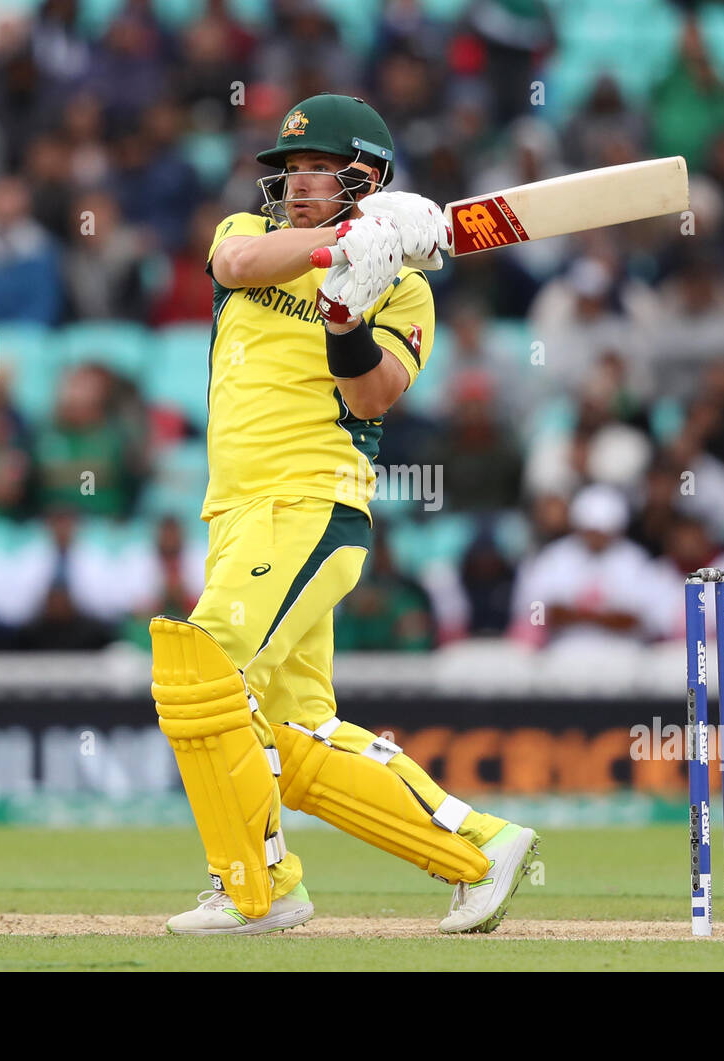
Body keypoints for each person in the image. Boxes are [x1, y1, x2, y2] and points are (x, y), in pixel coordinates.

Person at [151, 93, 538, 937]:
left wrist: (344, 308)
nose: (293, 184)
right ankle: (480, 846)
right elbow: (237, 268)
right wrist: (338, 246)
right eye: (286, 171)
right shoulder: (245, 235)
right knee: (291, 735)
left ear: (364, 177)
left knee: (200, 669)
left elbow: (374, 391)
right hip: (235, 517)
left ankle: (258, 886)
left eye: (314, 170)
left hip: (312, 505)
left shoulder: (406, 295)